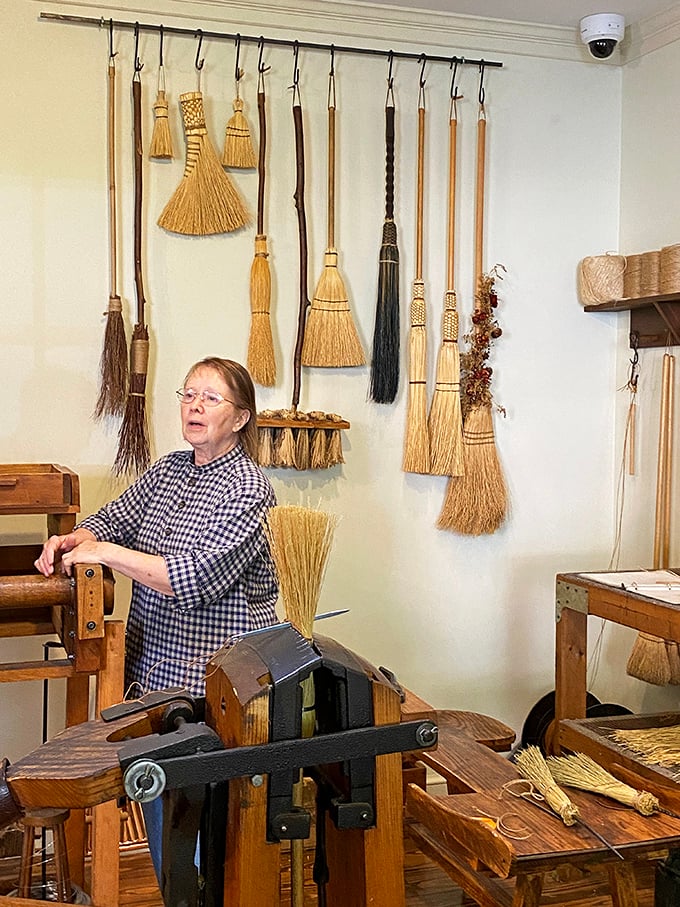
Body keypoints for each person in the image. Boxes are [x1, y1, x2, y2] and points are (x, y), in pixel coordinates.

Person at [34, 356, 279, 699]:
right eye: (189, 395)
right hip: (147, 669)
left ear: (240, 418)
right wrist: (75, 540)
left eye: (210, 398)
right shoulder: (168, 470)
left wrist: (103, 552)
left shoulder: (248, 488)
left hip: (212, 683)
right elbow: (112, 520)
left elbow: (193, 578)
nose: (195, 406)